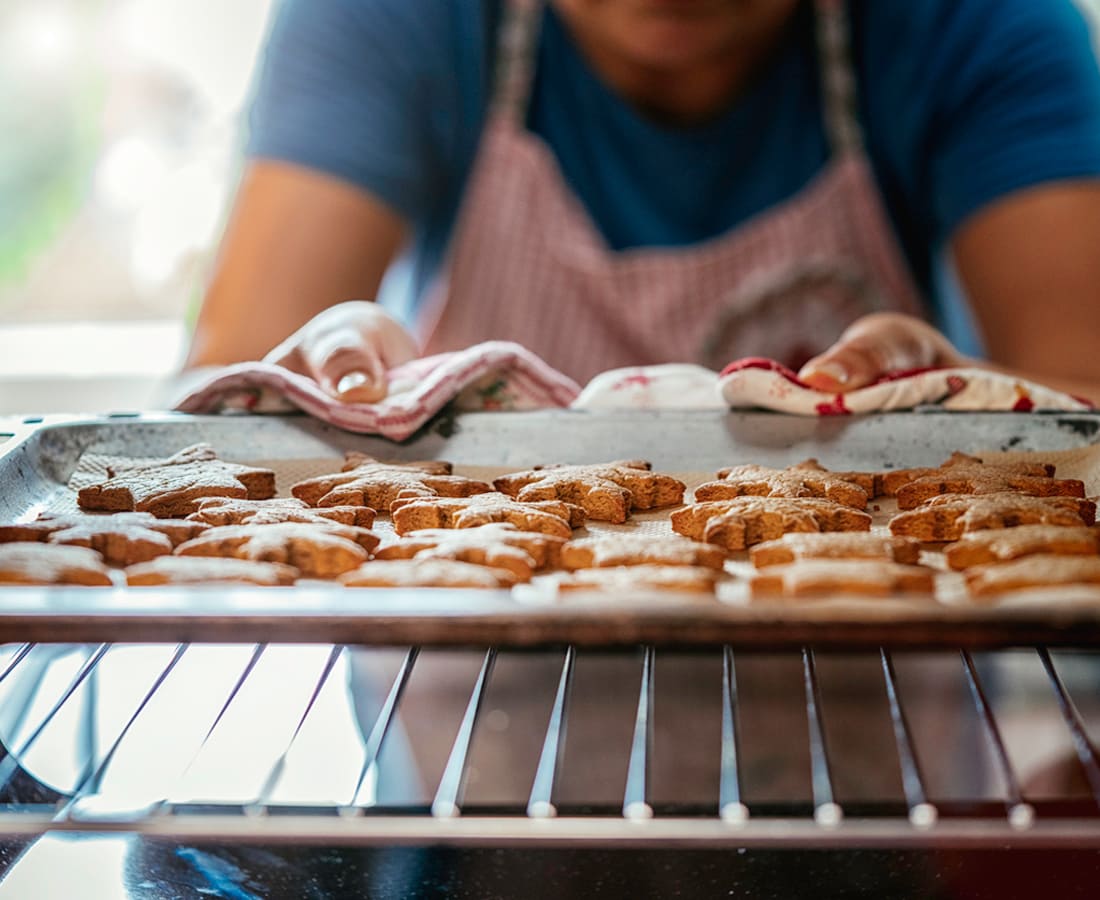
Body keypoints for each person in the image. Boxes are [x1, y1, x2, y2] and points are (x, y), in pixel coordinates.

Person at [185, 0, 1100, 405]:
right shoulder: (388, 18)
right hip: (465, 722)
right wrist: (322, 389)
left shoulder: (978, 23)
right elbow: (218, 396)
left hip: (887, 725)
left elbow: (1084, 408)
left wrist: (965, 409)